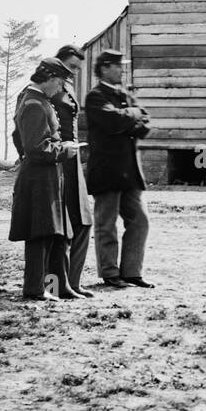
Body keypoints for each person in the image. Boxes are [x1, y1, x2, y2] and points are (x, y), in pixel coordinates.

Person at [9, 57, 83, 300]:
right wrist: (65, 150)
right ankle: (34, 289)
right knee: (40, 234)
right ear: (50, 79)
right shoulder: (33, 104)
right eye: (60, 83)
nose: (61, 89)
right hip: (39, 179)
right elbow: (36, 147)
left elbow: (21, 138)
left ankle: (59, 286)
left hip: (49, 176)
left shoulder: (40, 101)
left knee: (57, 233)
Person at [86, 48, 154, 288]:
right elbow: (113, 121)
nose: (121, 69)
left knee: (140, 221)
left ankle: (132, 272)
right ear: (104, 68)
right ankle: (110, 272)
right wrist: (132, 115)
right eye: (117, 65)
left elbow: (144, 124)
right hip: (107, 172)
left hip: (129, 173)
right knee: (106, 224)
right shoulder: (95, 96)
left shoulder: (123, 95)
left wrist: (129, 118)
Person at [51, 44, 94, 298]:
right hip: (57, 161)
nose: (75, 72)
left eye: (78, 68)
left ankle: (73, 283)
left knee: (83, 222)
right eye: (71, 66)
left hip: (73, 160)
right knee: (60, 227)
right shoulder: (48, 89)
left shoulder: (67, 88)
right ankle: (55, 285)